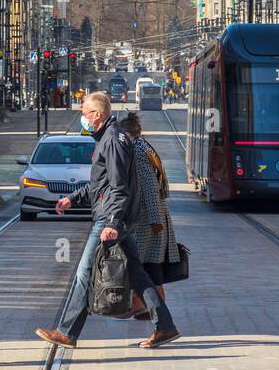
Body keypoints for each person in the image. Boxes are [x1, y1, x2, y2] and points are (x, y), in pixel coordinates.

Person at [35, 92, 178, 350]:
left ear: (97, 115)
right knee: (138, 275)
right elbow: (99, 183)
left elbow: (118, 186)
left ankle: (67, 331)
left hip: (110, 220)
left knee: (84, 273)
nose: (82, 118)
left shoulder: (112, 140)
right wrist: (72, 198)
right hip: (115, 217)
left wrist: (112, 222)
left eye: (84, 113)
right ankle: (165, 326)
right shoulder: (108, 138)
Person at [119, 112, 179, 319]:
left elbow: (150, 188)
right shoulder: (144, 146)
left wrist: (155, 220)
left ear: (126, 134)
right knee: (145, 262)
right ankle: (143, 305)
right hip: (150, 216)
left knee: (145, 262)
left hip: (147, 218)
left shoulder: (137, 151)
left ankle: (153, 306)